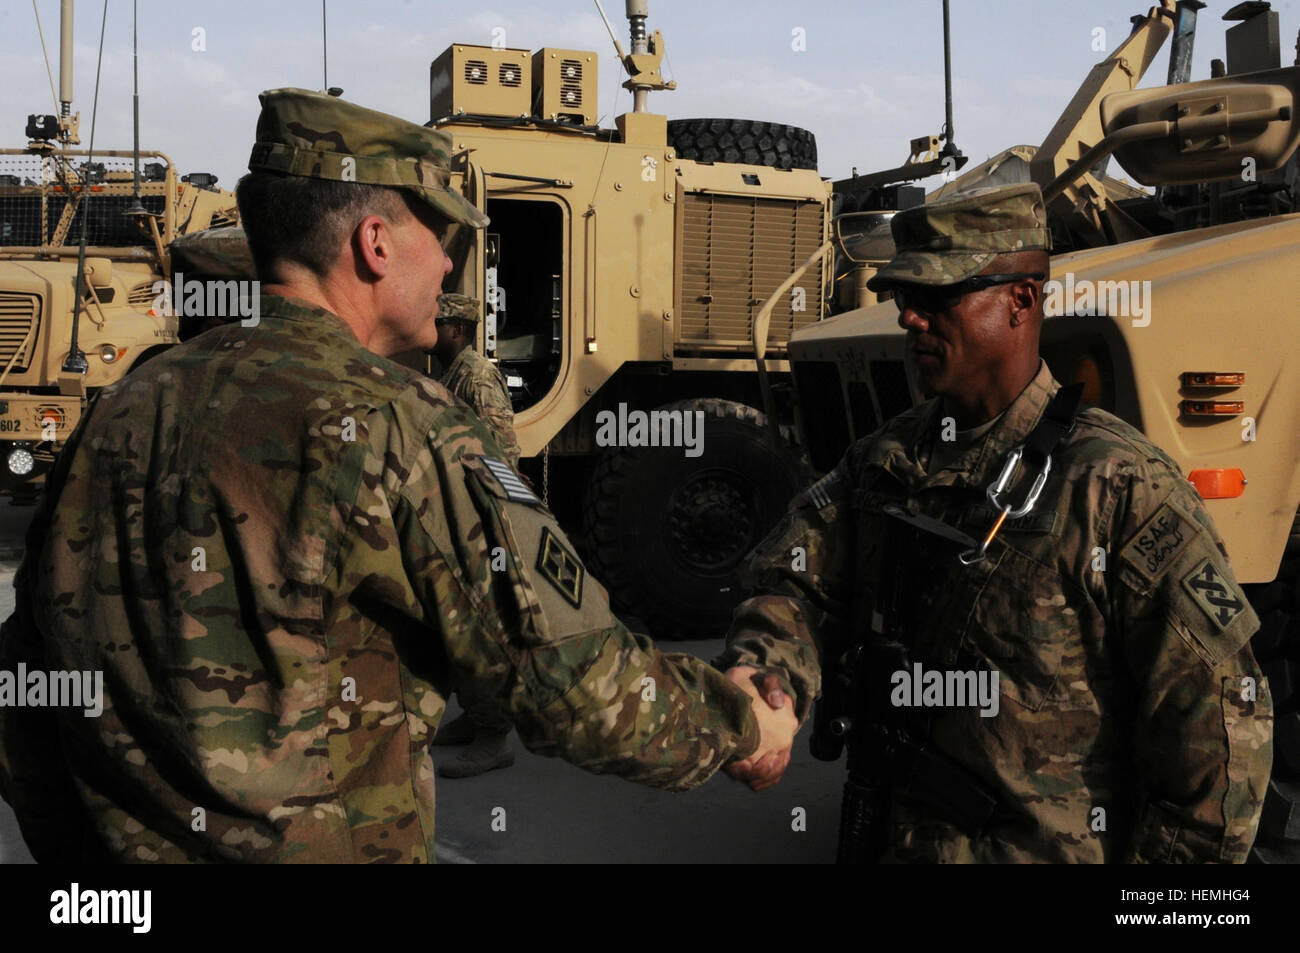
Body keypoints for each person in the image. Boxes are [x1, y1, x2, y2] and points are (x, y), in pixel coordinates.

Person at [0, 87, 795, 863]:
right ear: (375, 243)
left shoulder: (119, 411)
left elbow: (24, 695)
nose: (449, 258)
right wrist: (742, 724)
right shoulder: (398, 425)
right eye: (440, 232)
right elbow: (570, 678)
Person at [717, 183, 1273, 863]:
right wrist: (768, 673)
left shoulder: (1117, 486)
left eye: (937, 298)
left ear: (1021, 300)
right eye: (903, 300)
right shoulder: (887, 459)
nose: (911, 321)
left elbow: (1221, 735)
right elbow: (794, 581)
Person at [428, 292, 521, 777]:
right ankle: (474, 714)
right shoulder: (448, 373)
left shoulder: (477, 376)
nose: (431, 327)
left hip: (478, 520)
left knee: (479, 628)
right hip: (455, 515)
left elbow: (501, 454)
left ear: (458, 330)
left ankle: (494, 735)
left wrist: (491, 523)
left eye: (438, 322)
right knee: (455, 625)